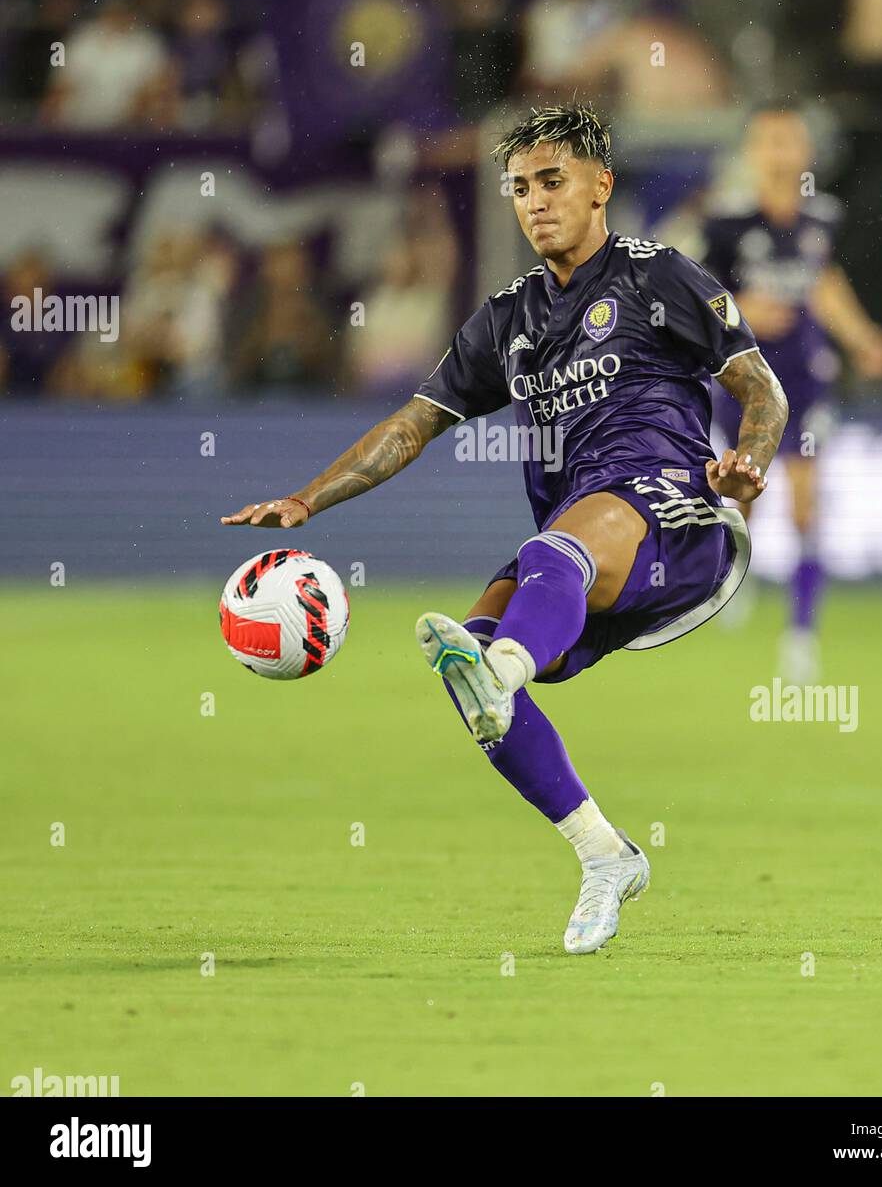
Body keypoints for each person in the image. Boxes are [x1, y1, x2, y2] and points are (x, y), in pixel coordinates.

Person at [221, 104, 788, 954]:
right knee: (477, 664)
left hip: (673, 513)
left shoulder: (657, 276)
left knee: (539, 570)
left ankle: (506, 667)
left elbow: (763, 391)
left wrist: (748, 466)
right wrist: (310, 499)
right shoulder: (507, 317)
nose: (534, 202)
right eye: (519, 187)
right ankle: (604, 853)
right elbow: (414, 423)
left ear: (601, 186)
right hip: (584, 542)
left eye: (552, 181)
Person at [703, 105, 882, 680]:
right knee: (745, 494)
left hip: (806, 381)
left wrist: (863, 338)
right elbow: (700, 296)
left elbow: (825, 285)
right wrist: (741, 310)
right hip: (745, 383)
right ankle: (737, 582)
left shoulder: (822, 219)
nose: (780, 152)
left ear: (806, 152)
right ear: (752, 153)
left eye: (790, 141)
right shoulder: (725, 224)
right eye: (768, 141)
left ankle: (801, 632)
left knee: (808, 503)